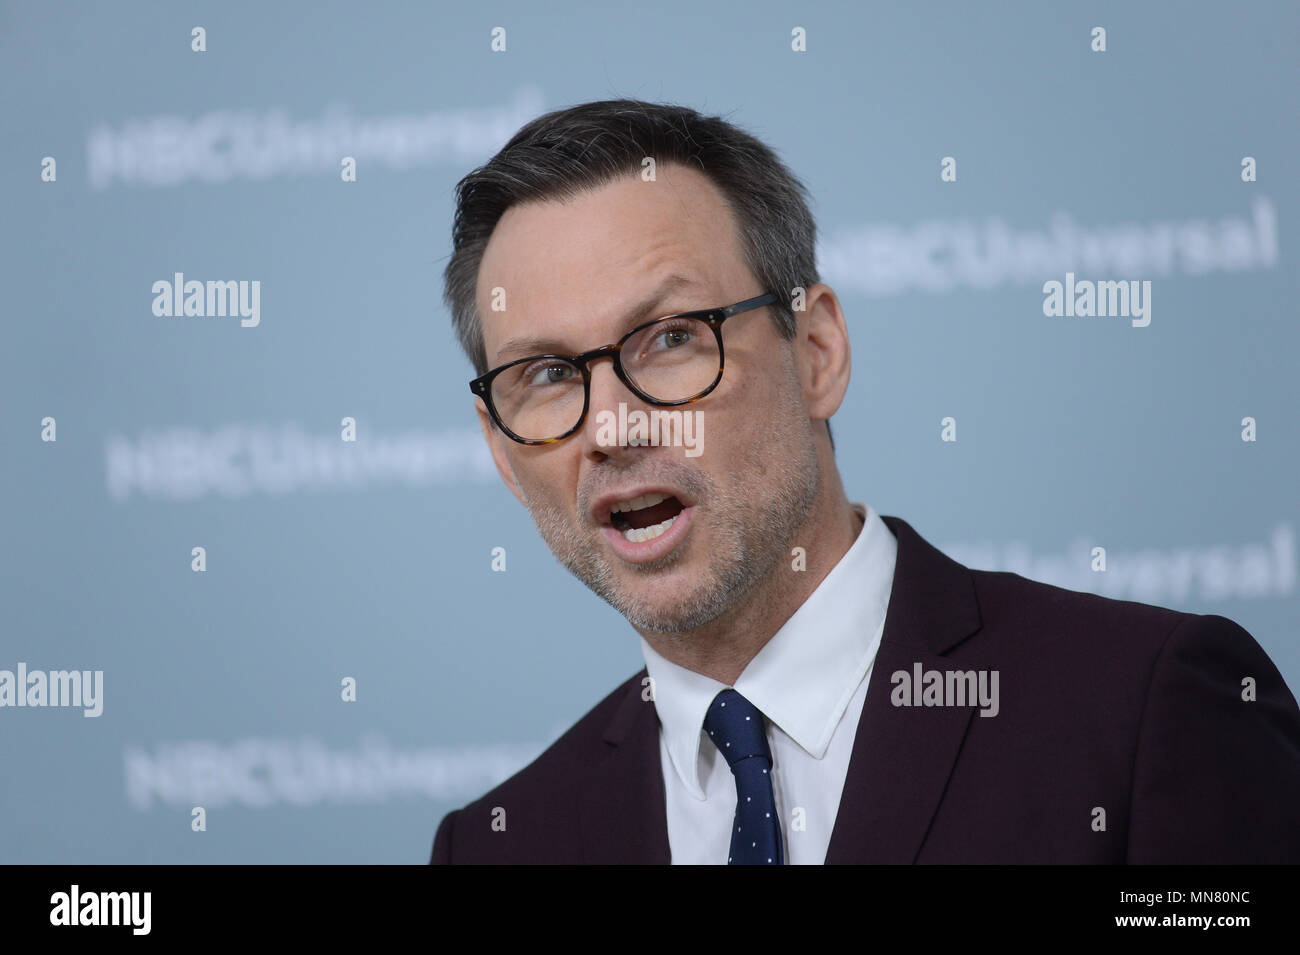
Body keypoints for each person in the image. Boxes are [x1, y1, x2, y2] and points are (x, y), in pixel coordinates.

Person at [429, 99, 1300, 864]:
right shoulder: (500, 843)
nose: (612, 429)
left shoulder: (1143, 709)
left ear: (817, 353)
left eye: (671, 338)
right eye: (548, 375)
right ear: (502, 451)